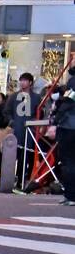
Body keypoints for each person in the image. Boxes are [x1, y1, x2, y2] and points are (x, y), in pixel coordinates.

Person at [5, 72, 39, 189]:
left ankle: (23, 179)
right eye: (21, 80)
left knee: (27, 156)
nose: (22, 82)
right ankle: (12, 179)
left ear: (30, 83)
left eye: (25, 80)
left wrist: (35, 124)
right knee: (14, 154)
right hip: (16, 130)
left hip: (30, 131)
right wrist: (12, 122)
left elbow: (39, 112)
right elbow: (7, 112)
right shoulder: (13, 97)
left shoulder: (36, 97)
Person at [48, 66, 75, 205]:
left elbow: (68, 102)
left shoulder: (73, 82)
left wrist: (55, 119)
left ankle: (70, 194)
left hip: (69, 126)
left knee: (68, 162)